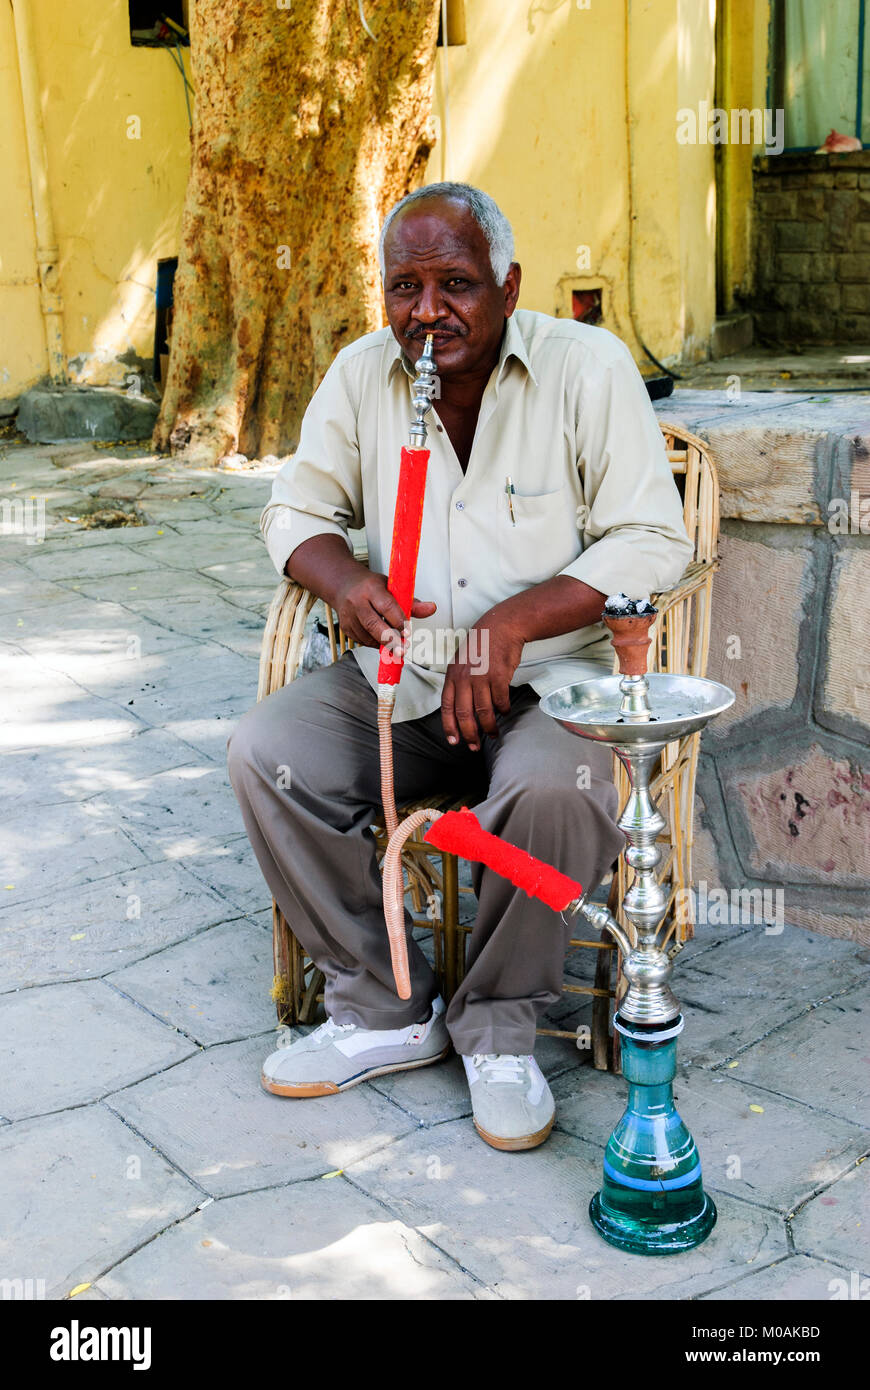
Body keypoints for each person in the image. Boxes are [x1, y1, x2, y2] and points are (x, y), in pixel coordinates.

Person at [227, 182, 692, 1152]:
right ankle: (386, 1004)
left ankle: (499, 1028)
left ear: (510, 286)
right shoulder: (363, 376)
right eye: (405, 286)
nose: (427, 310)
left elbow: (653, 538)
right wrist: (346, 579)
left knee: (557, 792)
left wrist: (516, 621)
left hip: (552, 684)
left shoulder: (588, 369)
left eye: (456, 284)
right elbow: (293, 514)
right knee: (268, 751)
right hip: (406, 682)